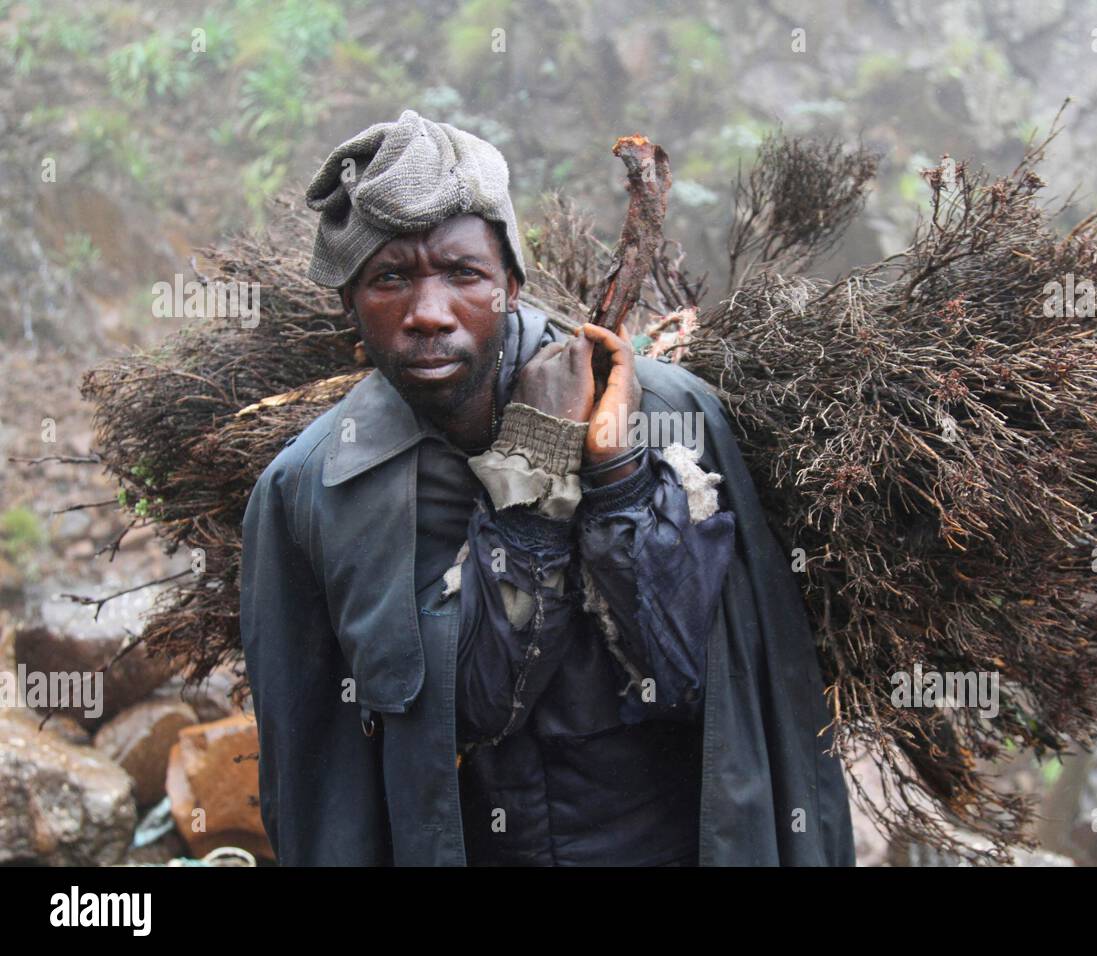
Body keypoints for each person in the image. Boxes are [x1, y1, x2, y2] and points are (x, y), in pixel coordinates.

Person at [239, 109, 855, 866]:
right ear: (348, 305)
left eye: (464, 274)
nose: (429, 314)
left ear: (512, 283)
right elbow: (325, 771)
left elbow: (705, 679)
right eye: (390, 278)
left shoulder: (666, 412)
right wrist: (532, 467)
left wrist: (614, 471)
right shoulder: (318, 489)